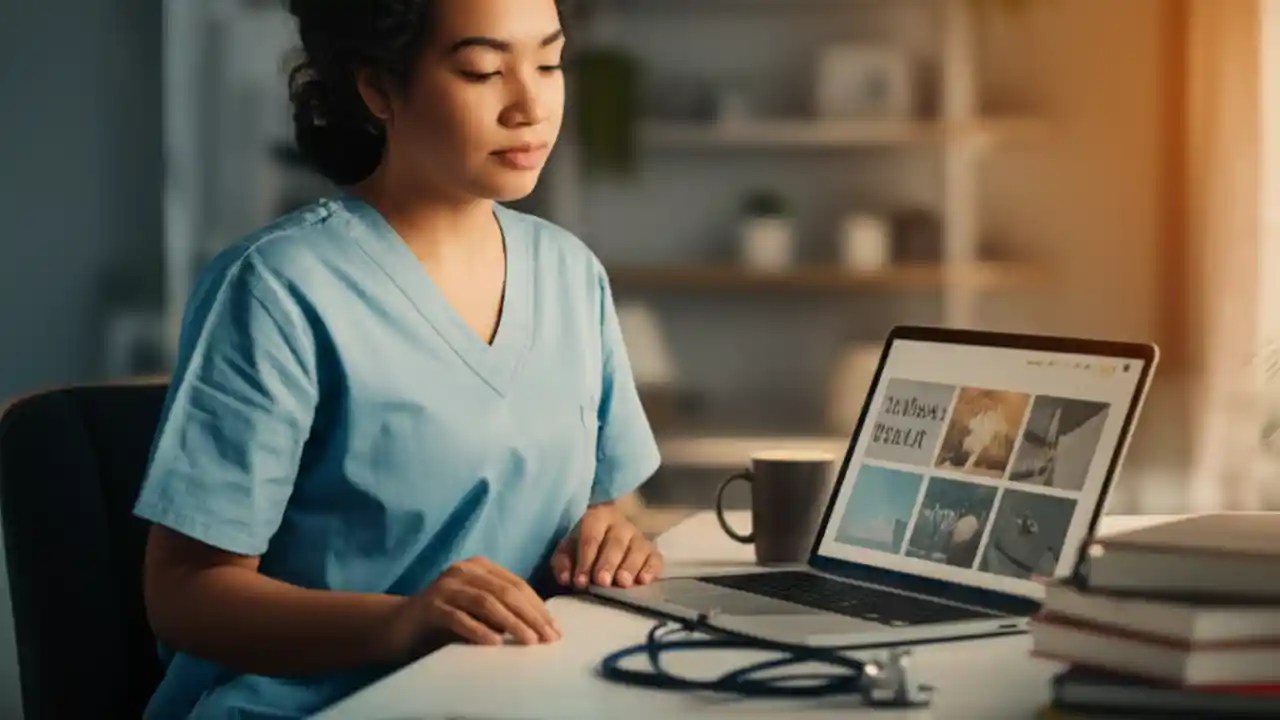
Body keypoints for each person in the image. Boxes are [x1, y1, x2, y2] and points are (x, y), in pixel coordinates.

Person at [133, 1, 663, 717]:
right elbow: (184, 595)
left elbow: (605, 499)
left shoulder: (571, 274)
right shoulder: (278, 288)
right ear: (378, 89)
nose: (531, 106)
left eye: (548, 62)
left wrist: (610, 536)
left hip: (512, 696)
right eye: (483, 71)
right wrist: (400, 623)